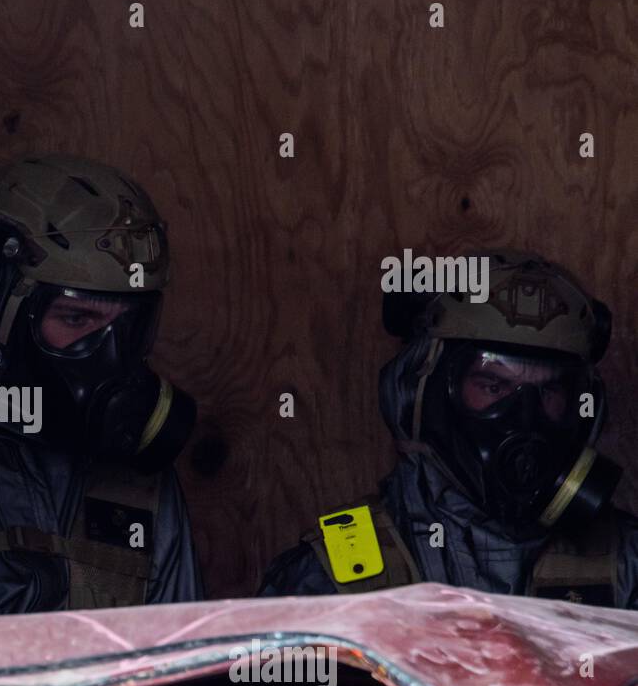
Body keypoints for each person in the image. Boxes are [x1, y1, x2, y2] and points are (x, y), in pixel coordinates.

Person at [260, 250, 638, 606]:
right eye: (493, 386)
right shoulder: (337, 575)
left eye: (548, 390)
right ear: (422, 396)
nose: (524, 418)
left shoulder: (625, 566)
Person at [0, 154, 205, 616]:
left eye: (128, 327)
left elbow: (182, 671)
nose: (108, 355)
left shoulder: (143, 490)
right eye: (77, 318)